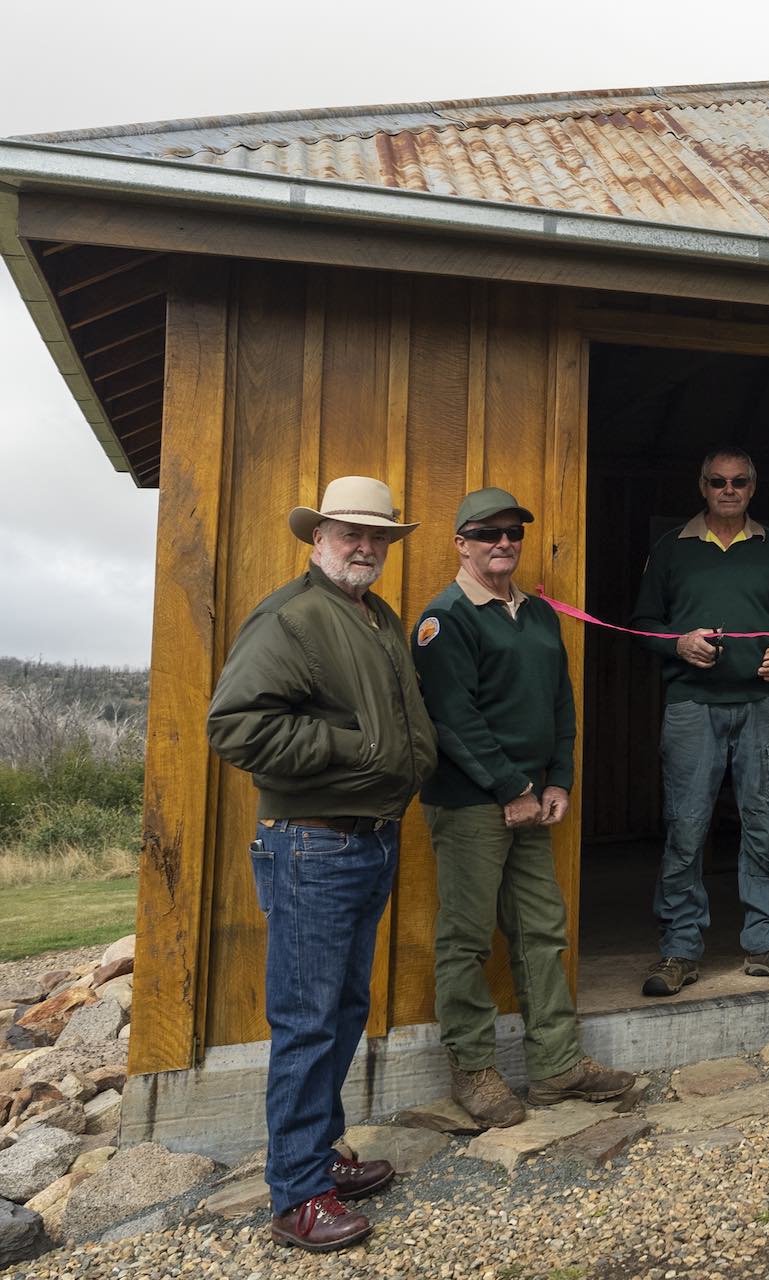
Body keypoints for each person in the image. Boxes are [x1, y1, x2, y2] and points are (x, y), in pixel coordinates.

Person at [206, 476, 438, 1253]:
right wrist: (361, 751)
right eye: (349, 534)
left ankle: (318, 1158)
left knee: (340, 1012)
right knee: (307, 1022)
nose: (365, 547)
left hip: (365, 839)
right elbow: (237, 727)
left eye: (376, 537)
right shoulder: (293, 617)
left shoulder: (372, 615)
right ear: (318, 539)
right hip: (311, 843)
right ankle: (297, 1195)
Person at [411, 487, 636, 1129]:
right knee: (467, 937)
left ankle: (558, 1065)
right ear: (461, 543)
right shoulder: (444, 619)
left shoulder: (537, 615)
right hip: (472, 804)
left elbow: (561, 704)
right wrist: (511, 788)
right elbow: (454, 719)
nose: (503, 542)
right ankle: (474, 1070)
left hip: (533, 800)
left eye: (513, 532)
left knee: (542, 928)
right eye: (487, 533)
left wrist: (557, 780)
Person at [629, 448, 769, 995]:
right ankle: (680, 949)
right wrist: (678, 644)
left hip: (761, 706)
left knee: (763, 824)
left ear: (753, 488)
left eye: (739, 481)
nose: (728, 489)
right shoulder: (671, 550)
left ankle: (765, 942)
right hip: (691, 706)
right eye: (718, 481)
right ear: (703, 486)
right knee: (686, 827)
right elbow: (643, 622)